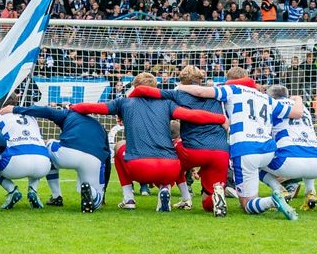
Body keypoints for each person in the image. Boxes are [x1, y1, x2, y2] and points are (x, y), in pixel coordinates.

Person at [73, 71, 226, 213]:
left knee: (120, 145)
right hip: (170, 169)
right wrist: (220, 119)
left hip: (140, 168)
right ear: (155, 88)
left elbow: (91, 107)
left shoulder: (124, 102)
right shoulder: (167, 103)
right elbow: (192, 115)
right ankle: (170, 191)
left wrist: (73, 107)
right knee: (176, 149)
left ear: (134, 87)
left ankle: (129, 199)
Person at [169, 68, 301, 220]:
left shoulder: (231, 89)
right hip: (268, 149)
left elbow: (200, 92)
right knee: (257, 171)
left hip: (245, 149)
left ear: (228, 79)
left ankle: (273, 200)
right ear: (246, 77)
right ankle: (279, 186)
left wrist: (180, 87)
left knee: (247, 204)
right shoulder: (264, 96)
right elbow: (297, 113)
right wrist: (298, 99)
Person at [1, 101, 110, 213]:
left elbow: (46, 111)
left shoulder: (68, 113)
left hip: (68, 153)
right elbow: (108, 158)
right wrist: (104, 190)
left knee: (47, 147)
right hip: (94, 159)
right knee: (97, 196)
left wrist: (15, 109)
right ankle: (94, 194)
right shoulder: (99, 126)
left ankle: (56, 196)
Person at [264, 83, 317, 213]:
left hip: (290, 160)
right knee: (307, 149)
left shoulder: (272, 106)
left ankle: (279, 190)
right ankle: (311, 191)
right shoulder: (302, 108)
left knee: (255, 162)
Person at [0, 96, 52, 210]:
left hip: (15, 164)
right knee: (36, 152)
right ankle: (33, 189)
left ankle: (11, 190)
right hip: (43, 164)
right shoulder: (31, 117)